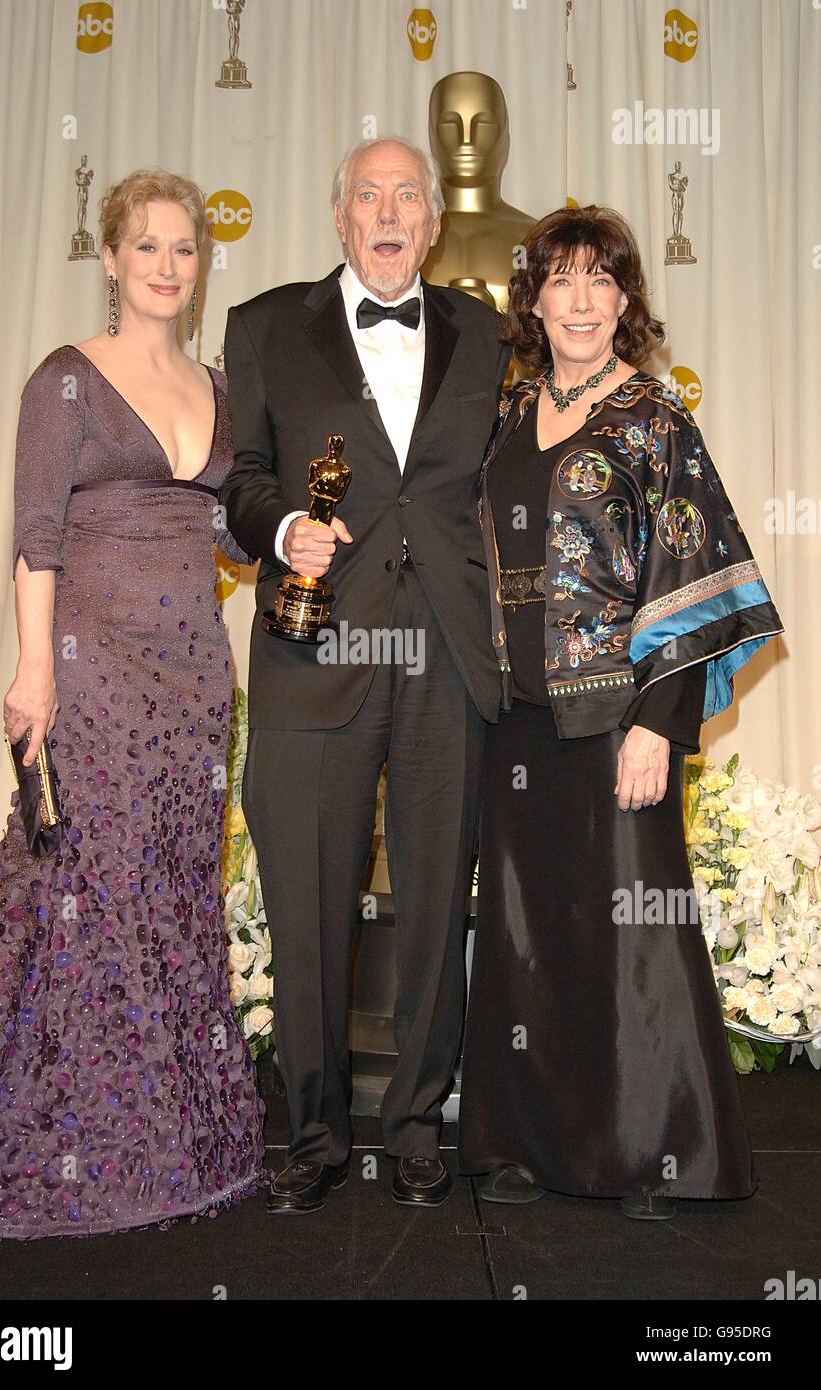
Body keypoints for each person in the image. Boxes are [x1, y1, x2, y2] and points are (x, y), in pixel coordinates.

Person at [0, 169, 267, 1262]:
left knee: (171, 886)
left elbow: (230, 536)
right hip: (93, 670)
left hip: (197, 677)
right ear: (112, 257)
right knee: (88, 887)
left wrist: (292, 528)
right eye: (147, 245)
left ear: (198, 266)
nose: (167, 264)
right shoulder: (67, 381)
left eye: (184, 248)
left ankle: (178, 1139)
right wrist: (35, 671)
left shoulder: (220, 383)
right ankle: (78, 1138)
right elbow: (38, 533)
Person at [458, 204, 783, 1220]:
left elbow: (696, 570)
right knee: (523, 936)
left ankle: (654, 1153)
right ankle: (525, 1150)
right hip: (514, 719)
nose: (582, 299)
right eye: (562, 279)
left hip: (614, 720)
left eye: (601, 279)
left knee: (632, 939)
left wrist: (661, 718)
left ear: (625, 299)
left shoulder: (655, 416)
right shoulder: (510, 417)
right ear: (536, 299)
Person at [220, 136, 510, 1213]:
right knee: (306, 897)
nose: (388, 214)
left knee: (437, 896)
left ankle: (417, 1125)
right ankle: (309, 1133)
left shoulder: (488, 334)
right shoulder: (262, 326)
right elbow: (240, 478)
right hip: (315, 646)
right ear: (338, 217)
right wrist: (287, 522)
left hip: (448, 644)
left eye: (406, 196)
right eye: (367, 196)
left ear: (431, 222)